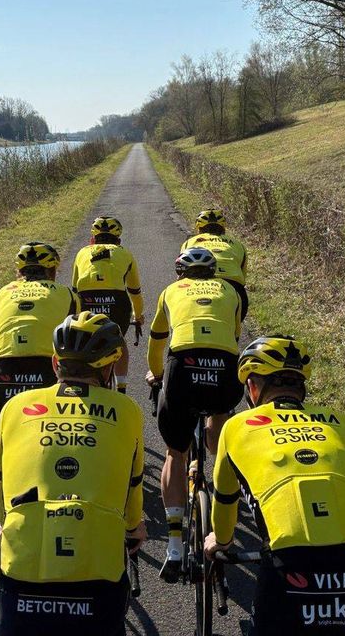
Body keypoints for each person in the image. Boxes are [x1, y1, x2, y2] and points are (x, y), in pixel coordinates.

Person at [204, 335, 345, 636]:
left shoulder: (236, 427)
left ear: (252, 387)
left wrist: (223, 542)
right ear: (300, 387)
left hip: (289, 574)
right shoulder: (344, 423)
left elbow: (225, 500)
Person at [0, 312, 146, 636]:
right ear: (107, 370)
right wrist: (134, 529)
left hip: (22, 569)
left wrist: (5, 520)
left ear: (54, 364)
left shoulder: (14, 408)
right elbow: (133, 486)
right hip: (97, 572)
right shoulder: (127, 411)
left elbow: (1, 483)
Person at [144, 247, 242, 582]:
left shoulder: (170, 292)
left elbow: (157, 341)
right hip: (224, 371)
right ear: (214, 273)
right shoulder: (231, 291)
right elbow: (234, 335)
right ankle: (218, 478)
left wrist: (156, 374)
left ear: (179, 275)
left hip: (183, 370)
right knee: (219, 425)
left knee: (176, 452)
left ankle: (174, 546)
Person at [0, 241, 79, 440]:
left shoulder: (2, 293)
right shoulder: (67, 294)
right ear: (52, 270)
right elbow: (76, 337)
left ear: (19, 271)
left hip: (2, 372)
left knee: (4, 453)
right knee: (53, 444)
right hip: (47, 370)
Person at [71, 215, 144, 392]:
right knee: (118, 340)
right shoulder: (125, 253)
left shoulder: (82, 252)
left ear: (92, 240)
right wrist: (138, 314)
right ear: (118, 240)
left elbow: (74, 290)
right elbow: (135, 292)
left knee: (83, 339)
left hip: (86, 299)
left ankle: (81, 382)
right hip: (116, 301)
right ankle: (122, 387)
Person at [181, 208, 250, 320]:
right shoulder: (238, 245)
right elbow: (242, 277)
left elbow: (182, 271)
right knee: (231, 334)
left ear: (199, 228)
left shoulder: (190, 242)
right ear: (223, 227)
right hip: (235, 289)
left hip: (199, 285)